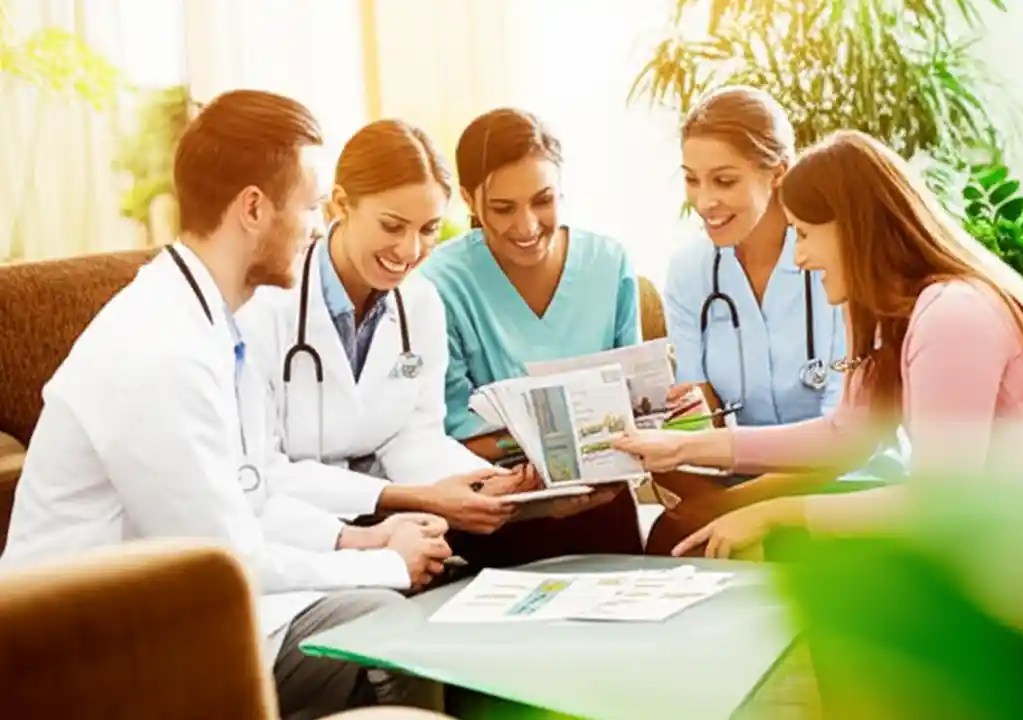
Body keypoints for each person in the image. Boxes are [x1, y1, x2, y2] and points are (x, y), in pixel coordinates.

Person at [0, 90, 450, 718]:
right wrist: (386, 565)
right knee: (387, 634)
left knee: (390, 621)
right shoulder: (161, 351)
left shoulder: (211, 323)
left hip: (167, 615)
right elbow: (226, 566)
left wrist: (355, 542)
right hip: (88, 647)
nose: (319, 227)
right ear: (254, 208)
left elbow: (252, 493)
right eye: (312, 207)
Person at [616, 130, 1023, 559]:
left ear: (855, 230)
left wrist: (773, 511)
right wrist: (684, 446)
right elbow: (847, 433)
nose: (800, 258)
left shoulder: (954, 313)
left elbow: (939, 503)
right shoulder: (901, 314)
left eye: (805, 234)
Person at [237, 119, 546, 539]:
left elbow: (415, 439)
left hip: (394, 525)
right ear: (340, 205)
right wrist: (408, 498)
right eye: (393, 226)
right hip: (293, 534)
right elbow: (263, 472)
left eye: (428, 229)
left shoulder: (420, 303)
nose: (410, 250)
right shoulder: (263, 306)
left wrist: (488, 482)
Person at [645, 87, 906, 554]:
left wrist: (734, 509)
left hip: (849, 483)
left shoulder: (835, 260)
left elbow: (844, 438)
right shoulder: (690, 272)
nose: (704, 202)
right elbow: (697, 417)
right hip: (735, 483)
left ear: (779, 173)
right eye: (692, 180)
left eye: (724, 181)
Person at [418, 107, 641, 562]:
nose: (527, 226)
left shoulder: (609, 264)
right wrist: (559, 446)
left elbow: (635, 402)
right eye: (503, 208)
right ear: (468, 199)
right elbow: (445, 437)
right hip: (498, 511)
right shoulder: (438, 284)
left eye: (543, 200)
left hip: (602, 504)